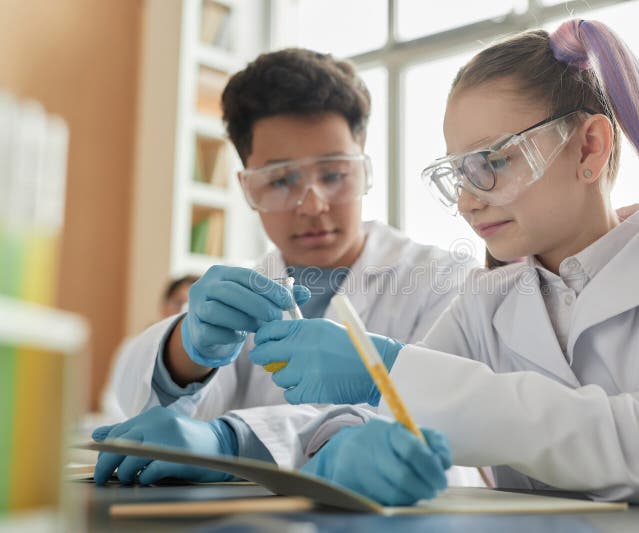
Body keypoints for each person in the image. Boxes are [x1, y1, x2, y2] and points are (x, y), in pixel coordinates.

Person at [248, 19, 639, 504]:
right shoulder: (485, 299)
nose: (468, 199)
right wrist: (312, 443)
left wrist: (389, 369)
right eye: (458, 173)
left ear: (590, 147)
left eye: (492, 162)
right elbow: (387, 416)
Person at [92, 48, 480, 491]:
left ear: (365, 169)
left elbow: (453, 432)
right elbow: (156, 412)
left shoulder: (444, 281)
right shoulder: (244, 296)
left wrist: (231, 440)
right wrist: (184, 349)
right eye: (279, 181)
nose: (313, 205)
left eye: (334, 174)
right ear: (246, 188)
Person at [99, 274, 199, 421]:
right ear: (164, 306)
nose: (184, 311)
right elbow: (111, 399)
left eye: (191, 305)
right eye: (179, 303)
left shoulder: (209, 361)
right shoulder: (133, 345)